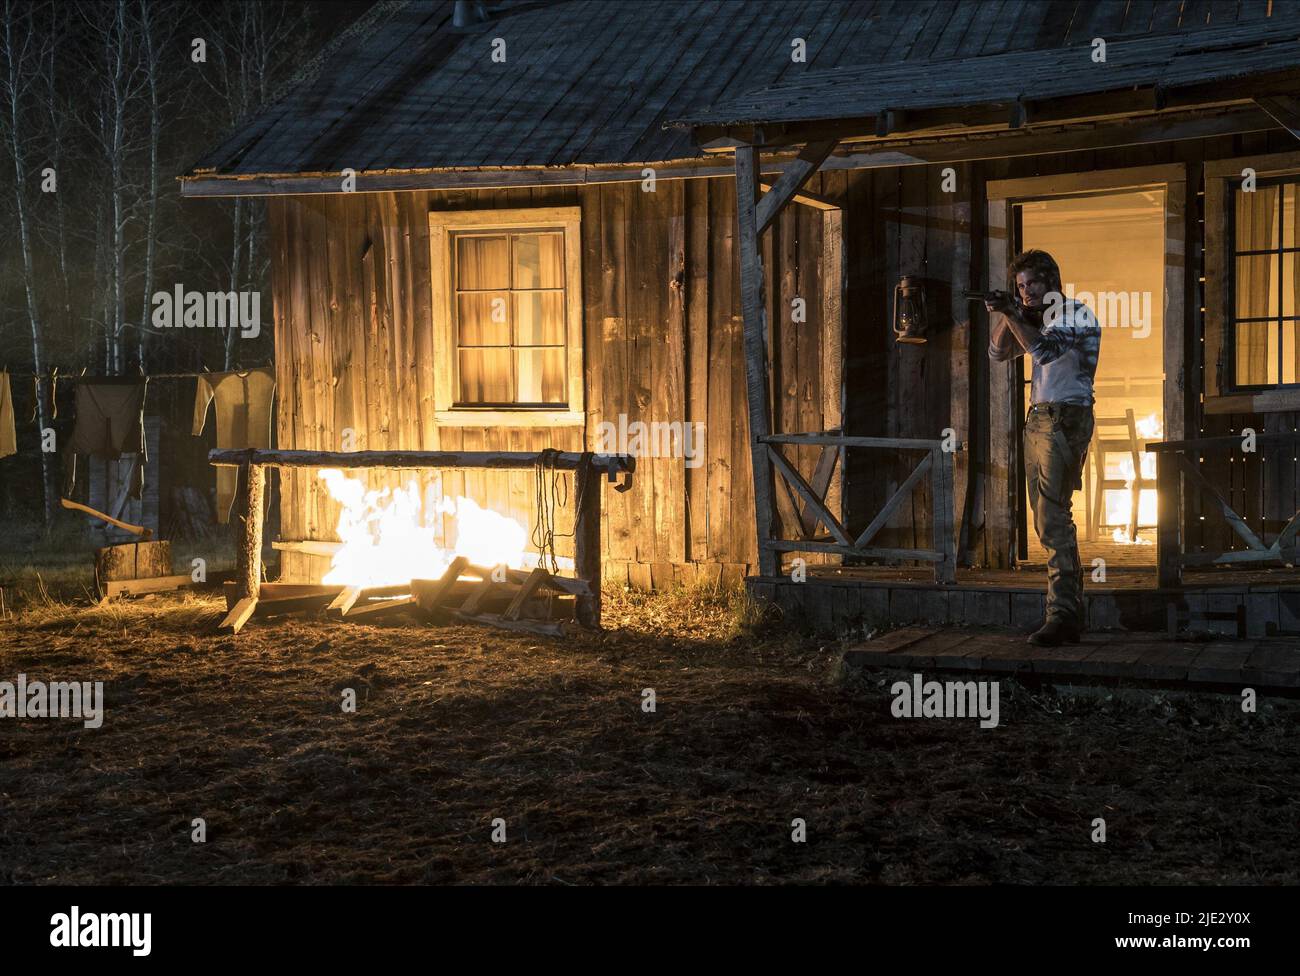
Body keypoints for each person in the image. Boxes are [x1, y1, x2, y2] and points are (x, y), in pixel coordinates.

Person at [987, 250, 1101, 646]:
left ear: (1052, 280)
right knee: (1044, 517)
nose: (1026, 291)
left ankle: (1063, 615)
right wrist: (1007, 313)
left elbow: (1045, 352)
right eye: (1020, 286)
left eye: (1032, 283)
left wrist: (1014, 314)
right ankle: (1067, 612)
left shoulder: (1075, 314)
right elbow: (997, 353)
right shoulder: (1034, 318)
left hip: (1066, 417)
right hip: (1039, 418)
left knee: (1053, 516)